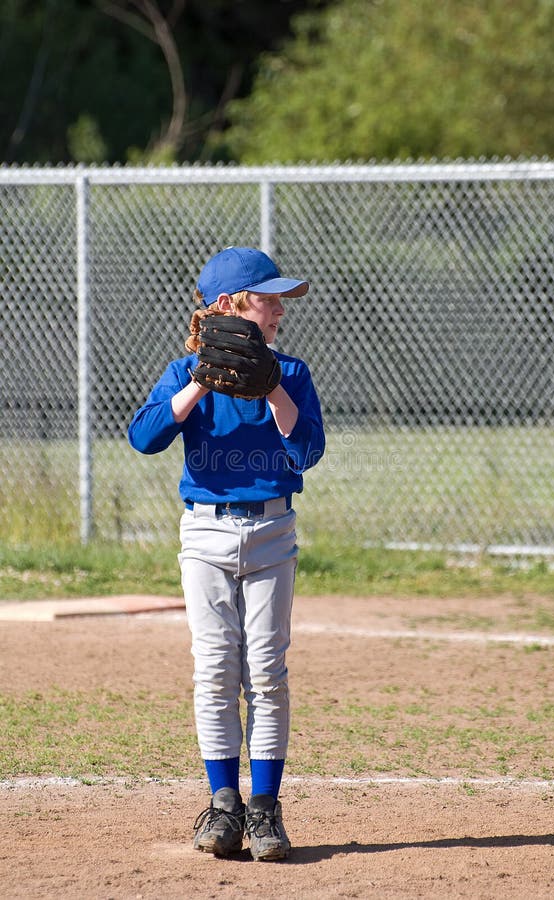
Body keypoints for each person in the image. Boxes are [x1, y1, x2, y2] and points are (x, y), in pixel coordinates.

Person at [127, 246, 325, 861]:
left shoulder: (290, 374)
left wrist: (270, 389)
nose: (278, 311)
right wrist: (198, 379)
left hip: (272, 533)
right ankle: (223, 806)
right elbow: (145, 435)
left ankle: (265, 811)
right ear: (229, 307)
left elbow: (308, 451)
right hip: (206, 535)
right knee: (215, 670)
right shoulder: (185, 371)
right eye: (268, 299)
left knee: (266, 670)